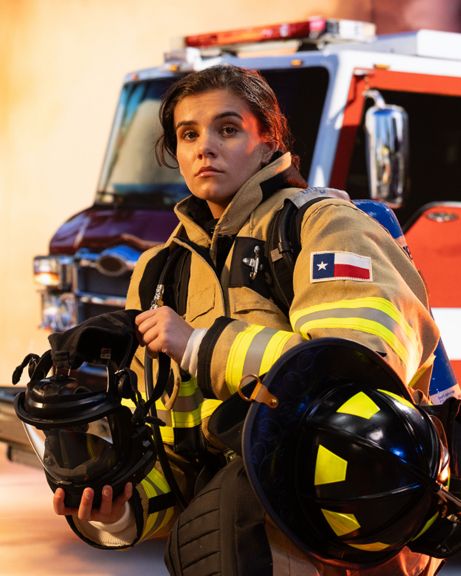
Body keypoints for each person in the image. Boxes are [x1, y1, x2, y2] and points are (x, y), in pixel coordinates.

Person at [53, 65, 443, 574]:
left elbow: (353, 370)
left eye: (228, 129)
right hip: (231, 542)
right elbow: (176, 455)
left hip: (341, 542)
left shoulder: (325, 226)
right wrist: (118, 505)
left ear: (269, 142)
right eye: (188, 134)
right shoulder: (157, 274)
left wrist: (198, 345)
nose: (205, 148)